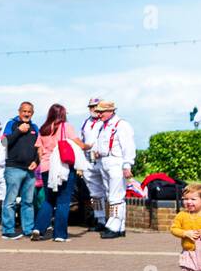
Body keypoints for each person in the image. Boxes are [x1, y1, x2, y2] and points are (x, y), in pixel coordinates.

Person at [33, 103, 81, 242]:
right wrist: (88, 145)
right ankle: (60, 235)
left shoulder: (43, 129)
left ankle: (38, 228)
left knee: (49, 200)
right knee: (63, 201)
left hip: (46, 167)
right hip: (62, 167)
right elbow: (78, 144)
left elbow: (39, 151)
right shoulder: (66, 127)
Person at [89, 100, 135, 239]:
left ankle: (113, 226)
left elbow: (128, 146)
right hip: (105, 161)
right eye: (98, 112)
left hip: (116, 162)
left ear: (111, 111)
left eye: (101, 112)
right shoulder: (103, 126)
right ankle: (120, 227)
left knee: (116, 196)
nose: (99, 114)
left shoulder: (121, 125)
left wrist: (127, 164)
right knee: (111, 195)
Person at [1, 102, 39, 240]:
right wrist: (19, 131)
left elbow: (39, 147)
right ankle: (8, 230)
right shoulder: (11, 124)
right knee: (10, 201)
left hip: (29, 170)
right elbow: (4, 142)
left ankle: (28, 229)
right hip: (13, 168)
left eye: (29, 111)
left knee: (28, 202)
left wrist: (36, 161)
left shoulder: (35, 127)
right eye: (24, 111)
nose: (26, 114)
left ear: (32, 113)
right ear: (19, 111)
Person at [170, 184, 201, 271]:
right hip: (189, 251)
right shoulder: (182, 215)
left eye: (193, 199)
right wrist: (185, 233)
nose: (189, 202)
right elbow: (174, 229)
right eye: (186, 199)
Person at [79, 95, 107, 230]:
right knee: (95, 193)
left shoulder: (106, 122)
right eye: (91, 107)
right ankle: (100, 220)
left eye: (96, 106)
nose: (94, 109)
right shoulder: (86, 122)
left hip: (102, 160)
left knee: (109, 192)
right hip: (88, 161)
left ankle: (115, 221)